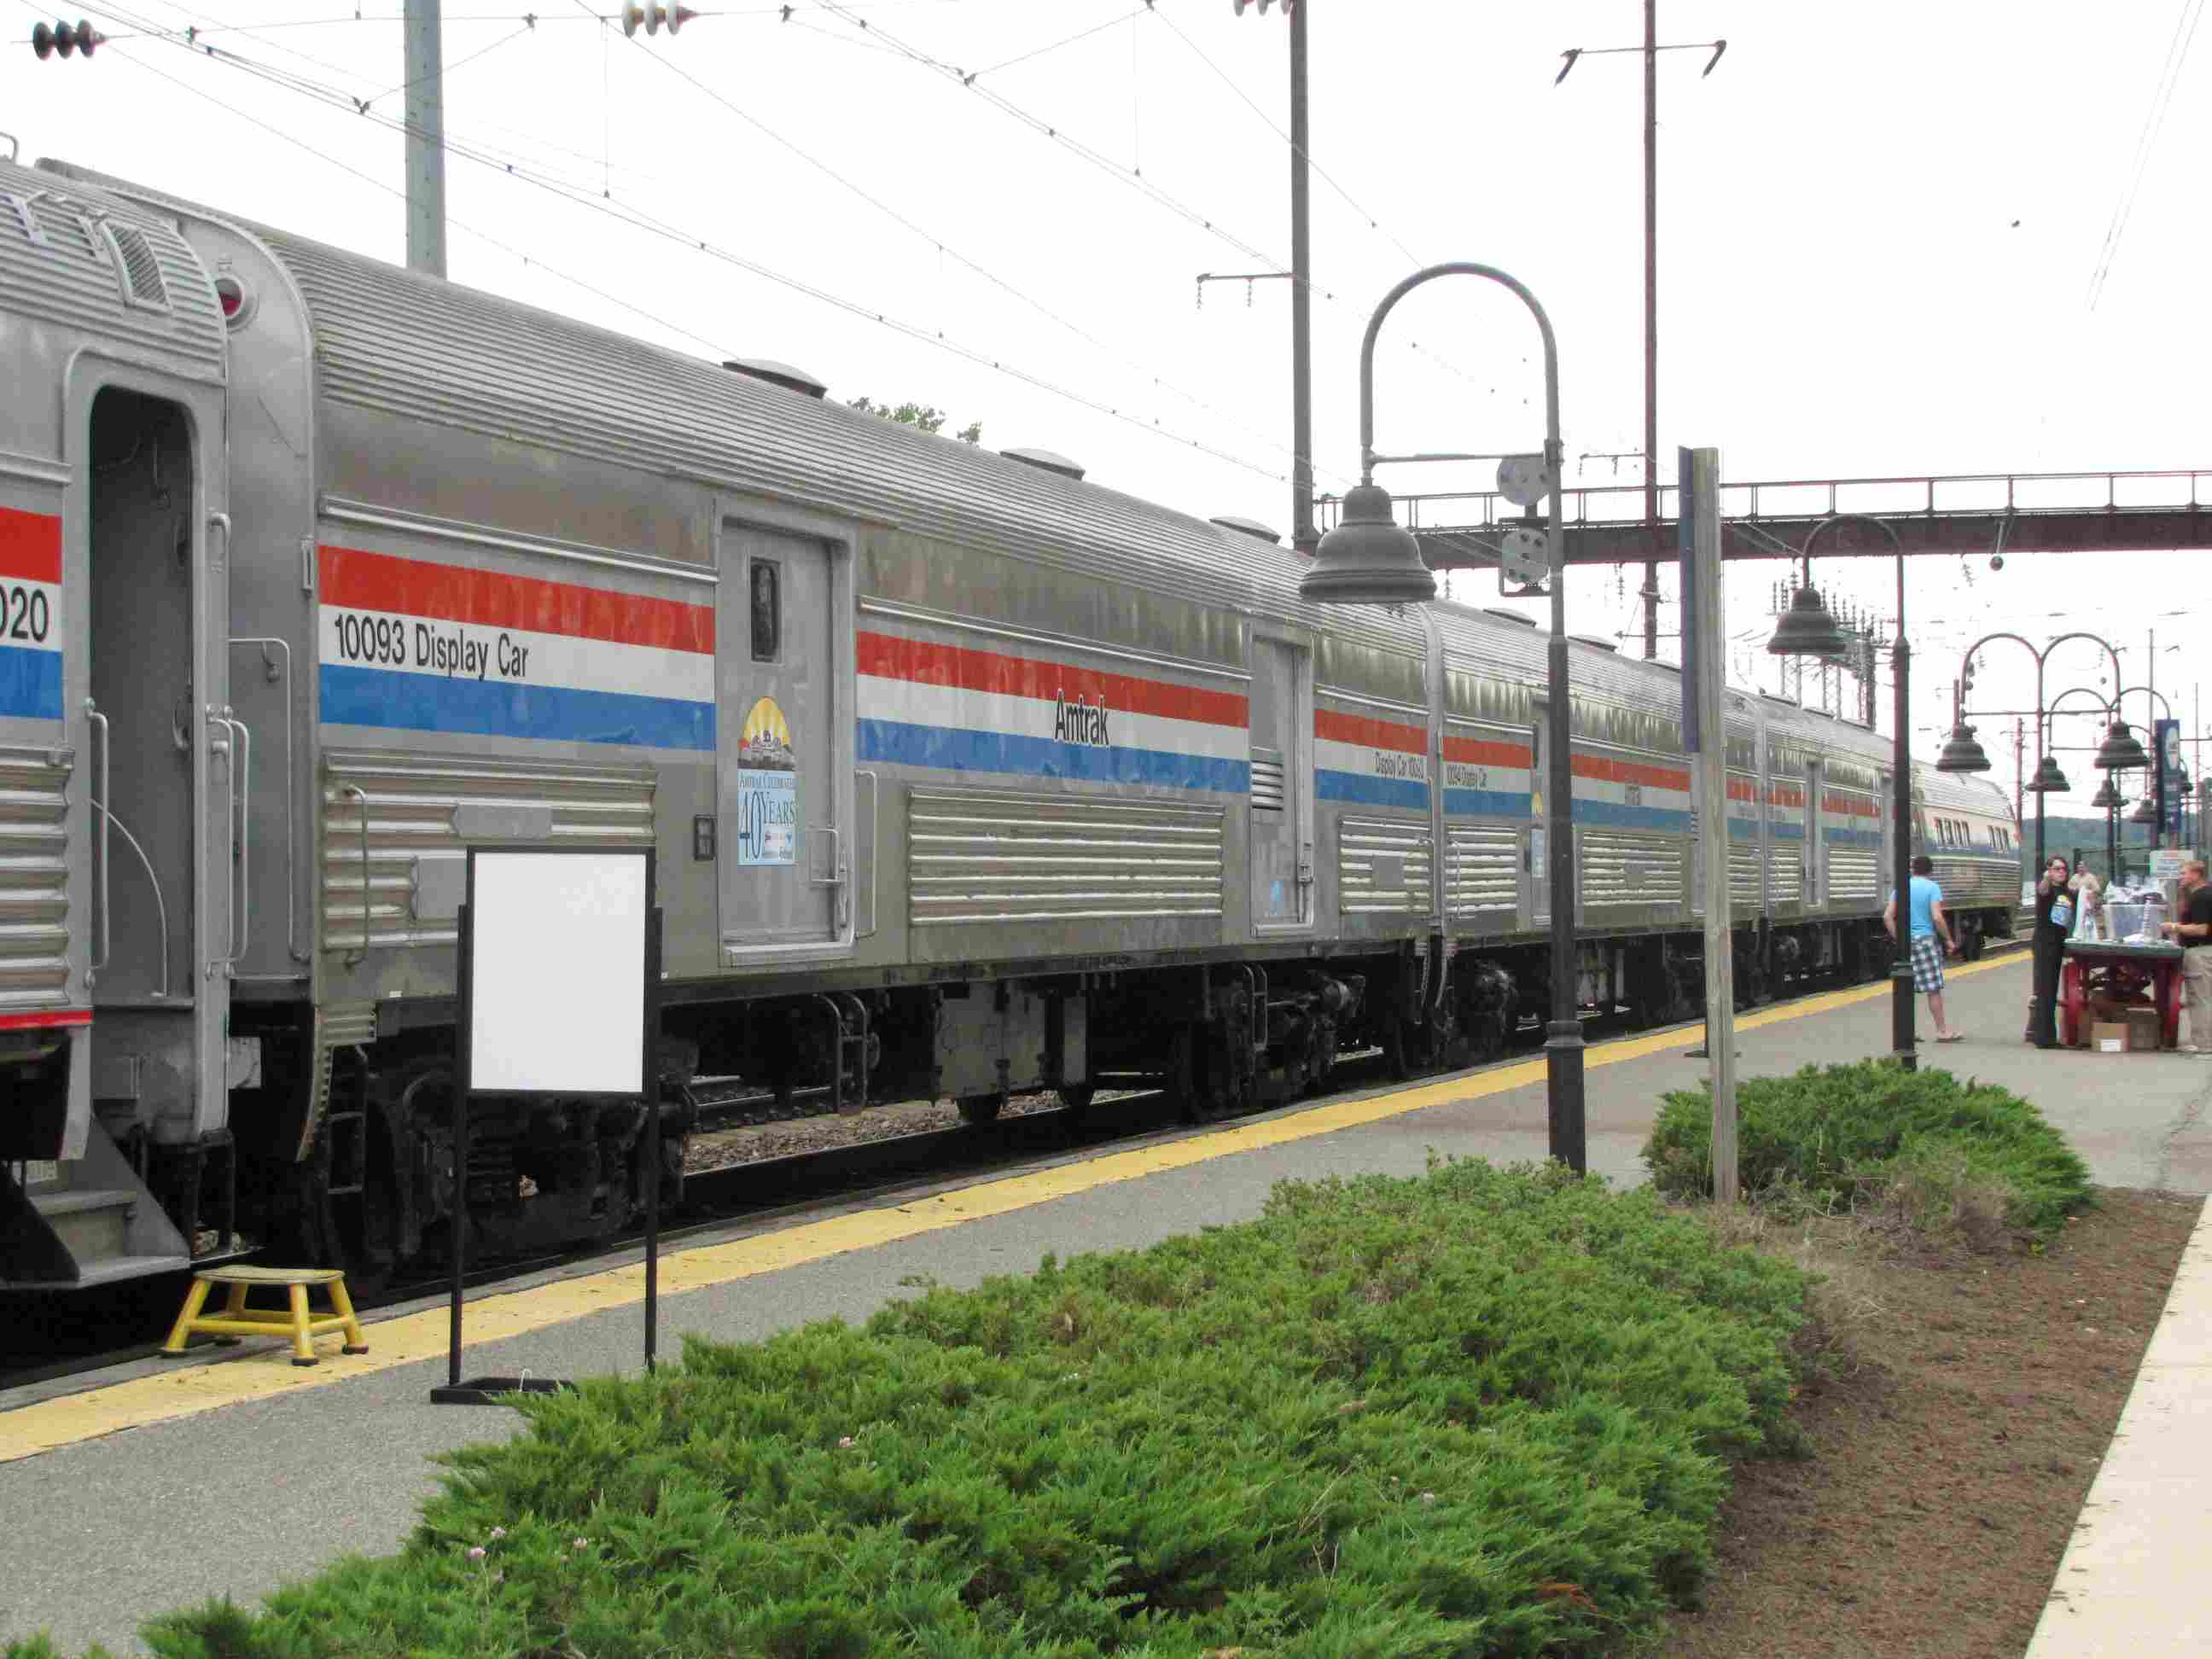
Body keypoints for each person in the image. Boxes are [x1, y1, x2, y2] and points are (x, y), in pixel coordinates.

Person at [1885, 853, 1963, 1043]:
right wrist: (1949, 940)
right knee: (1933, 989)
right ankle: (1942, 1031)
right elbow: (1937, 917)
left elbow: (1887, 916)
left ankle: (1906, 1032)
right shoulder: (1932, 887)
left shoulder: (1901, 888)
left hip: (1907, 942)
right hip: (1926, 941)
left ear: (1913, 869)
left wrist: (1899, 938)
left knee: (1907, 988)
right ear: (1930, 870)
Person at [2159, 859, 2212, 1055]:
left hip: (2200, 951)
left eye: (2184, 873)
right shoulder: (2206, 894)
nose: (2181, 877)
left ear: (2196, 875)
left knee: (2200, 999)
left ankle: (2206, 1045)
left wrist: (2174, 927)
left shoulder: (2200, 897)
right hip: (2207, 950)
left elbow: (2201, 929)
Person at [2029, 855, 2072, 1049]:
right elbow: (2042, 890)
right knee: (2045, 991)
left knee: (2050, 991)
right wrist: (2046, 877)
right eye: (2057, 868)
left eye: (2063, 868)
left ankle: (2040, 1032)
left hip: (2057, 945)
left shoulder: (2065, 891)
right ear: (2049, 871)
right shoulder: (2046, 889)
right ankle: (2044, 1039)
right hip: (2044, 944)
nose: (2061, 871)